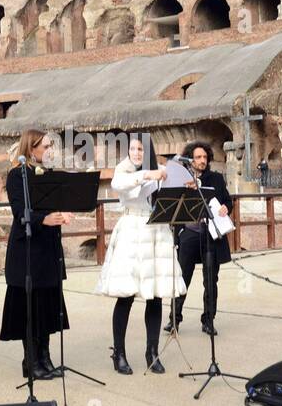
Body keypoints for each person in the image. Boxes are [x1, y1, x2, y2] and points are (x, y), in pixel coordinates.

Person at [96, 134, 185, 374]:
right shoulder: (123, 171)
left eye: (141, 150)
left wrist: (180, 181)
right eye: (133, 149)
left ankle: (152, 352)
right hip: (132, 231)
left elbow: (177, 185)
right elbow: (119, 185)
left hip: (156, 232)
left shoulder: (160, 169)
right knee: (125, 296)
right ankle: (119, 353)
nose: (137, 153)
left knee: (155, 296)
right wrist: (147, 174)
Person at [0, 130, 73, 381]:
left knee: (48, 307)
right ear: (32, 150)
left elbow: (55, 206)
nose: (51, 150)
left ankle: (45, 358)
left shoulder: (49, 175)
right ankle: (31, 361)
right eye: (47, 146)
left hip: (49, 250)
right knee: (31, 309)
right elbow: (20, 212)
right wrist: (45, 219)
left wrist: (64, 214)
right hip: (28, 252)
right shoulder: (16, 175)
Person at [166, 140, 232, 336]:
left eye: (205, 157)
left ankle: (208, 320)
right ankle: (174, 320)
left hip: (211, 235)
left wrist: (225, 207)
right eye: (198, 157)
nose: (202, 161)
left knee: (211, 280)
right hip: (189, 234)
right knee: (182, 279)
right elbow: (172, 204)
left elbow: (227, 200)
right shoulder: (181, 178)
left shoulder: (217, 179)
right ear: (190, 160)